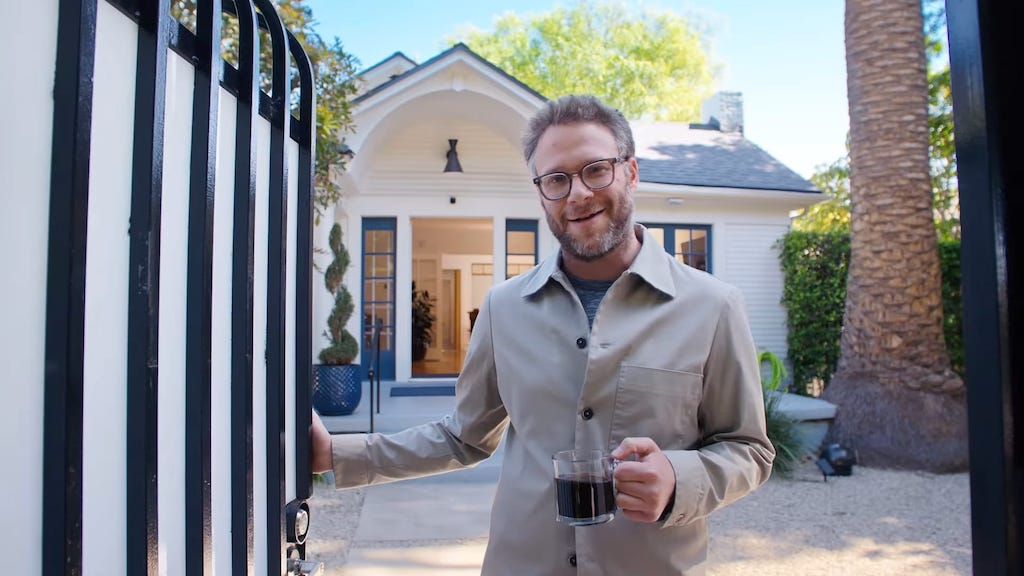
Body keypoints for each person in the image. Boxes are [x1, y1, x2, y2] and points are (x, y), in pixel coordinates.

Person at [310, 94, 774, 575]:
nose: (576, 193)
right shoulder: (503, 308)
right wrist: (336, 453)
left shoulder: (713, 307)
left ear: (630, 173)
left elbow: (749, 448)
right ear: (540, 192)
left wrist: (680, 478)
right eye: (556, 179)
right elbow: (462, 437)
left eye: (595, 169)